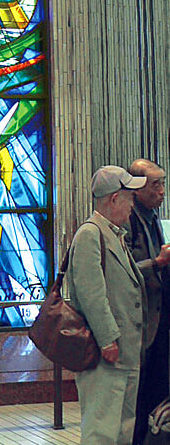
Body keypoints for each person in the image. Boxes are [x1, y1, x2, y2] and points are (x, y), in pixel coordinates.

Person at [66, 166, 170, 445]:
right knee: (102, 429)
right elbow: (92, 295)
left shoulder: (115, 234)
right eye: (128, 198)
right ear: (114, 199)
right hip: (107, 354)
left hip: (126, 352)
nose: (131, 204)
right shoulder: (90, 234)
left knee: (124, 428)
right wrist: (108, 340)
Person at [126, 159, 170, 444]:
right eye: (156, 185)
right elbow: (123, 269)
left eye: (164, 183)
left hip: (159, 318)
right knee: (138, 397)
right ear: (137, 189)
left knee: (157, 387)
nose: (162, 191)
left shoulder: (153, 216)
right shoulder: (128, 219)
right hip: (138, 320)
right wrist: (157, 262)